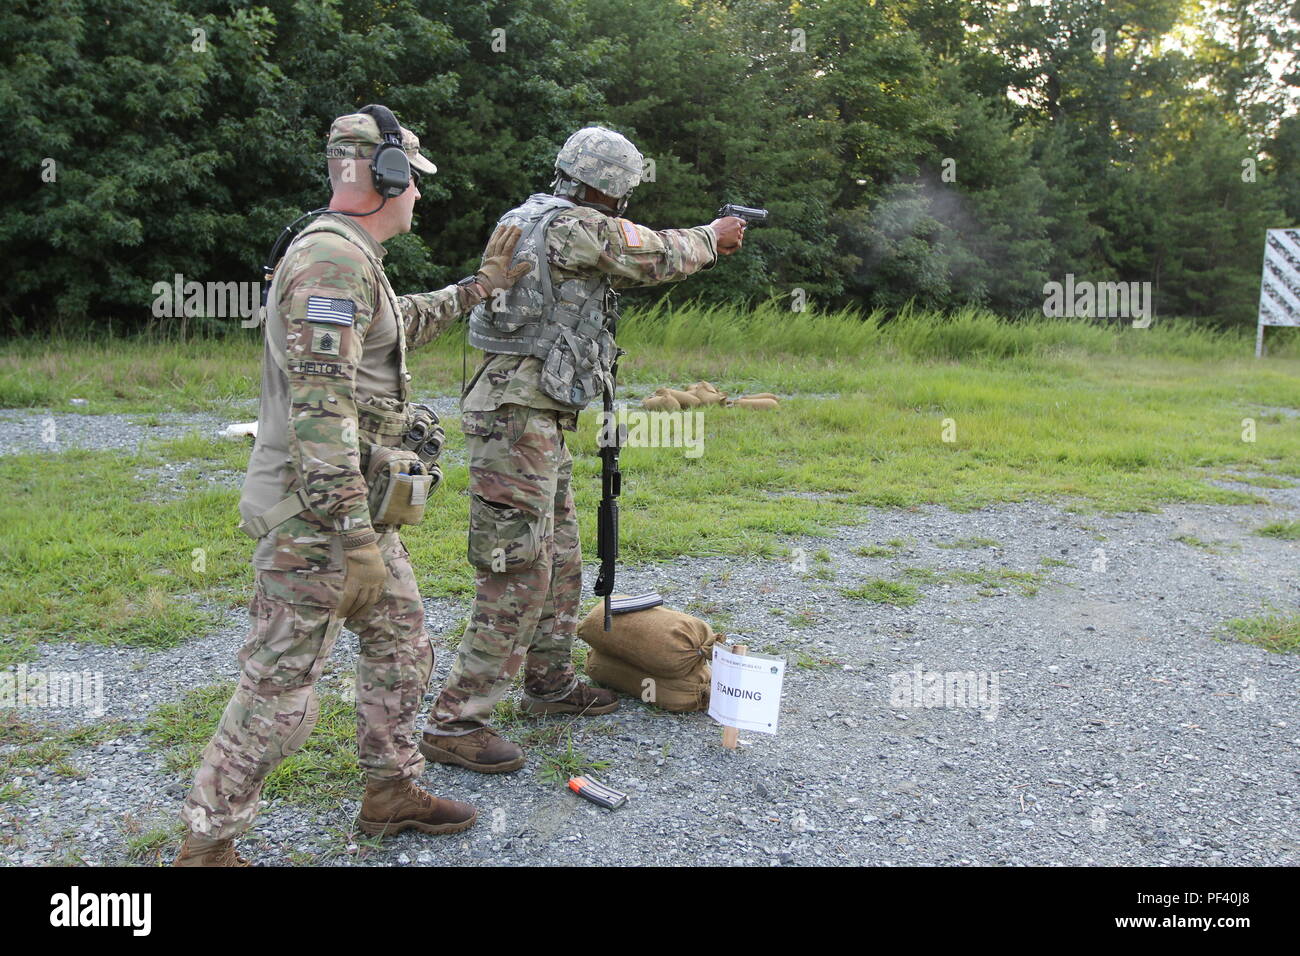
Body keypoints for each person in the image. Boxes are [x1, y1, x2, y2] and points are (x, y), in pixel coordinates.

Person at [173, 106, 531, 866]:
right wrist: (357, 539)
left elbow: (395, 321)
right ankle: (206, 847)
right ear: (386, 175)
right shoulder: (331, 262)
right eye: (414, 182)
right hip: (320, 524)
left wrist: (480, 287)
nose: (420, 198)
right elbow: (320, 407)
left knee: (403, 647)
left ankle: (392, 789)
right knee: (278, 691)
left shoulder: (352, 260)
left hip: (352, 520)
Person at [421, 126, 746, 773]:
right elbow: (653, 256)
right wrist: (714, 237)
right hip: (517, 419)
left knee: (562, 555)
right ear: (609, 186)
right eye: (624, 189)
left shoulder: (540, 218)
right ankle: (456, 722)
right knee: (516, 567)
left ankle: (547, 683)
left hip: (537, 414)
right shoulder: (571, 226)